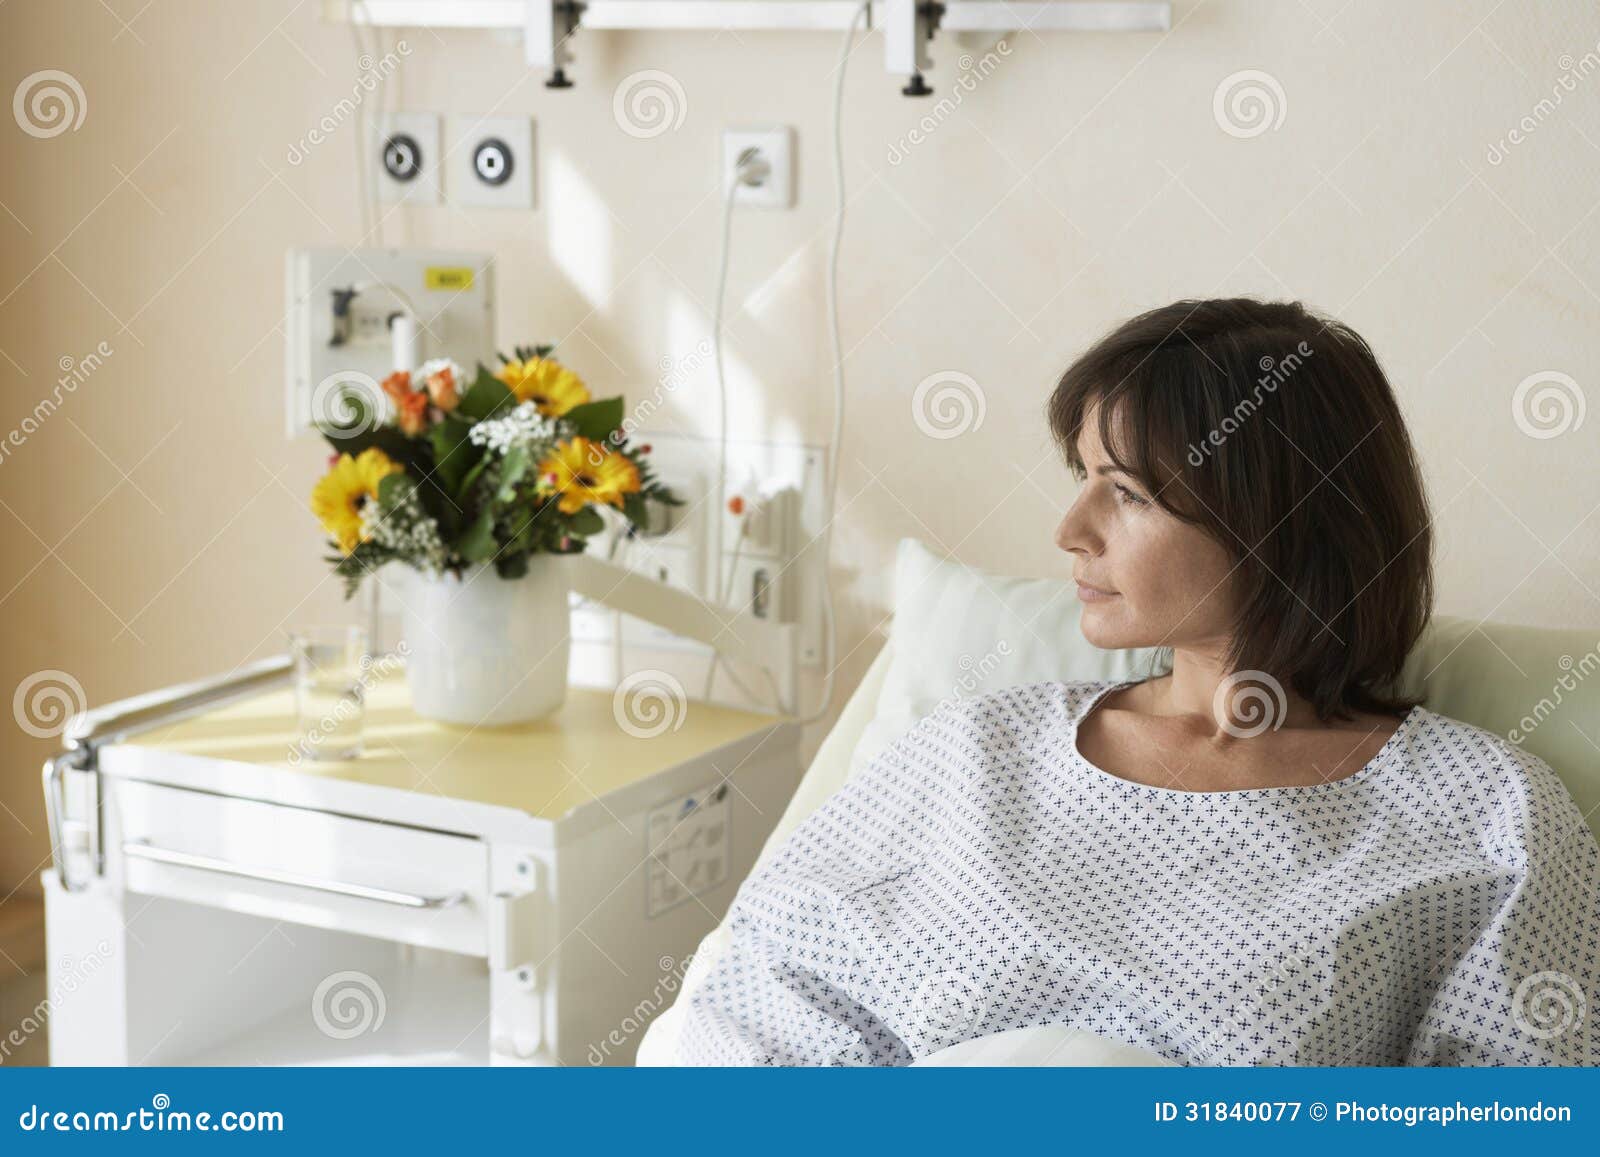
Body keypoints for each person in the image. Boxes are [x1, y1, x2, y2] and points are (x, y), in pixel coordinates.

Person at [675, 298, 1600, 1066]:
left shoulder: (1486, 813)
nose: (1071, 528)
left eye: (1127, 492)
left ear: (1276, 520)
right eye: (1084, 476)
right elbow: (754, 1007)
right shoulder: (970, 753)